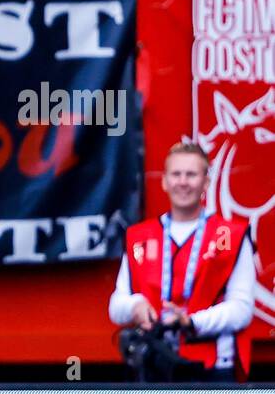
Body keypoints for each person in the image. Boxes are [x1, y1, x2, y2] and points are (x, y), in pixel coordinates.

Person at [109, 141, 256, 381]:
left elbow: (242, 310)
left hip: (212, 367)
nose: (183, 182)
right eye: (176, 174)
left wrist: (191, 321)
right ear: (165, 182)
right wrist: (135, 306)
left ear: (205, 183)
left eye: (191, 174)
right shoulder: (139, 237)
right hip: (154, 365)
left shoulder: (231, 236)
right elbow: (116, 306)